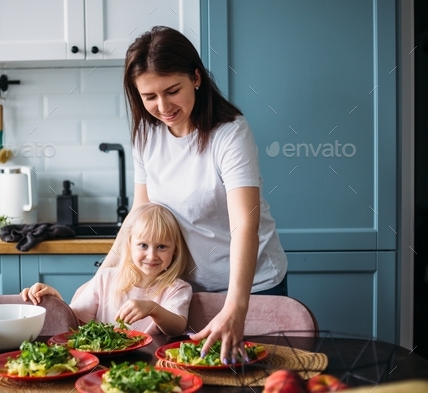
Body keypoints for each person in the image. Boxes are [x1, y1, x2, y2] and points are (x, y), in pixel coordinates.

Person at [90, 26, 289, 365]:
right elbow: (139, 219)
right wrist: (98, 282)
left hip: (251, 286)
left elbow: (245, 225)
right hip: (185, 289)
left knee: (253, 381)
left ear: (196, 77)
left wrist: (236, 307)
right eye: (149, 97)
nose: (163, 106)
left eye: (172, 91)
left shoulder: (229, 134)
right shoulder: (146, 137)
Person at [21, 202, 193, 337]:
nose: (151, 255)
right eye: (143, 245)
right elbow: (74, 321)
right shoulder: (106, 278)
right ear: (129, 245)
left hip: (149, 366)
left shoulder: (177, 288)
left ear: (175, 249)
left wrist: (152, 308)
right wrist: (55, 300)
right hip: (101, 363)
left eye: (162, 247)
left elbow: (177, 328)